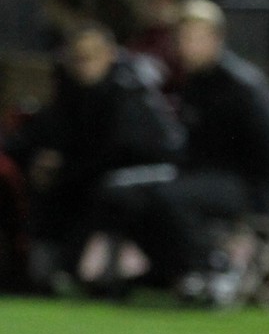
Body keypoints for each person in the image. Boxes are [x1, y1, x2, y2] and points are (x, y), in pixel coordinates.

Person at [113, 0, 269, 300]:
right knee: (121, 191)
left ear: (216, 39)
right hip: (199, 175)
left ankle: (213, 267)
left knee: (169, 196)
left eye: (196, 38)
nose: (187, 46)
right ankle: (169, 267)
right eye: (182, 38)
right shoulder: (192, 81)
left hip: (245, 183)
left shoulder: (243, 86)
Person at [3, 22, 184, 293]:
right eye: (77, 57)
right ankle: (35, 271)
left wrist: (63, 170)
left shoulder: (128, 89)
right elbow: (44, 132)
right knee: (46, 189)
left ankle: (87, 271)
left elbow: (123, 152)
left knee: (105, 191)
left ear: (109, 54)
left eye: (91, 56)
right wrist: (39, 162)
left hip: (153, 173)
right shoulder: (73, 90)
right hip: (92, 174)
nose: (83, 64)